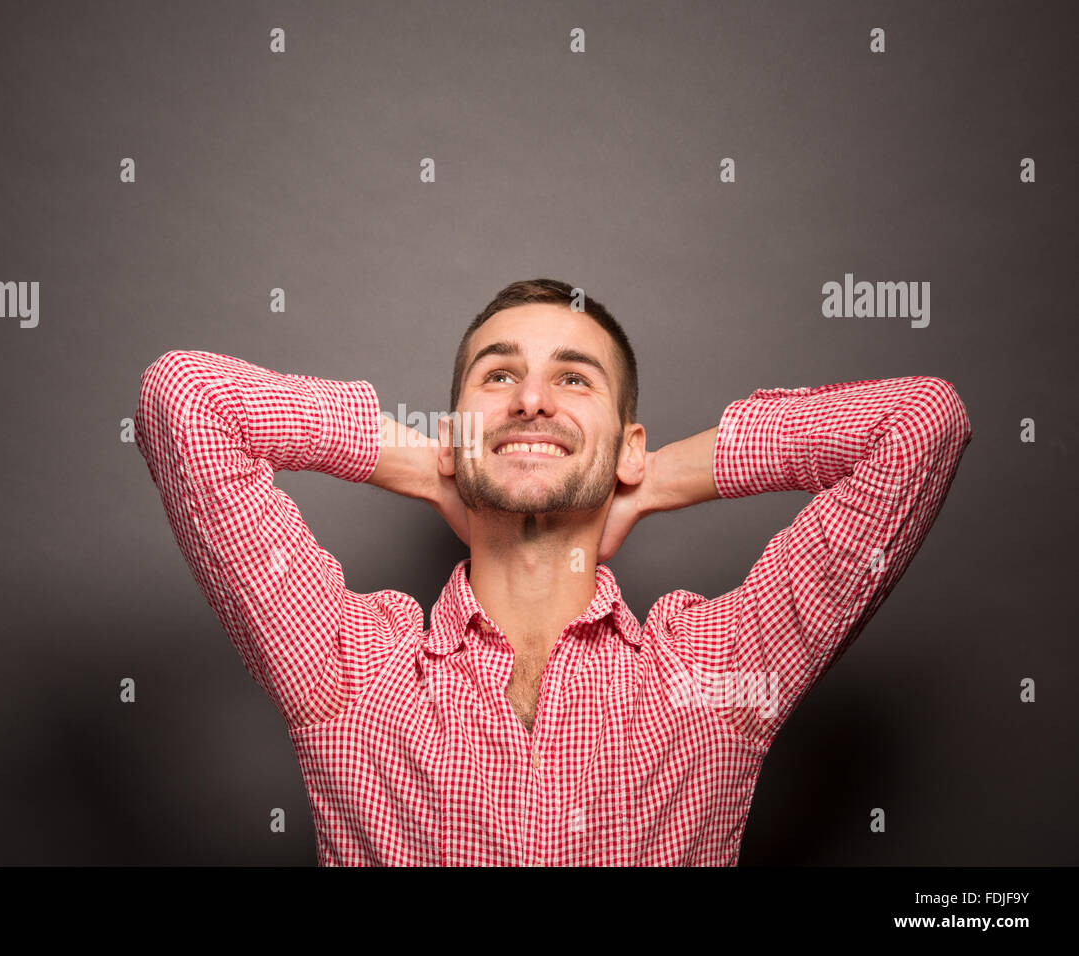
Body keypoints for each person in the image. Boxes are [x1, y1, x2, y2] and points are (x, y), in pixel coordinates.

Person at [133, 278, 973, 866]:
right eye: (498, 376)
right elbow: (184, 402)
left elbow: (919, 425)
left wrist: (651, 480)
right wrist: (432, 465)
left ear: (628, 441)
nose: (531, 400)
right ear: (454, 427)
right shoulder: (345, 668)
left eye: (573, 379)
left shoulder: (716, 677)